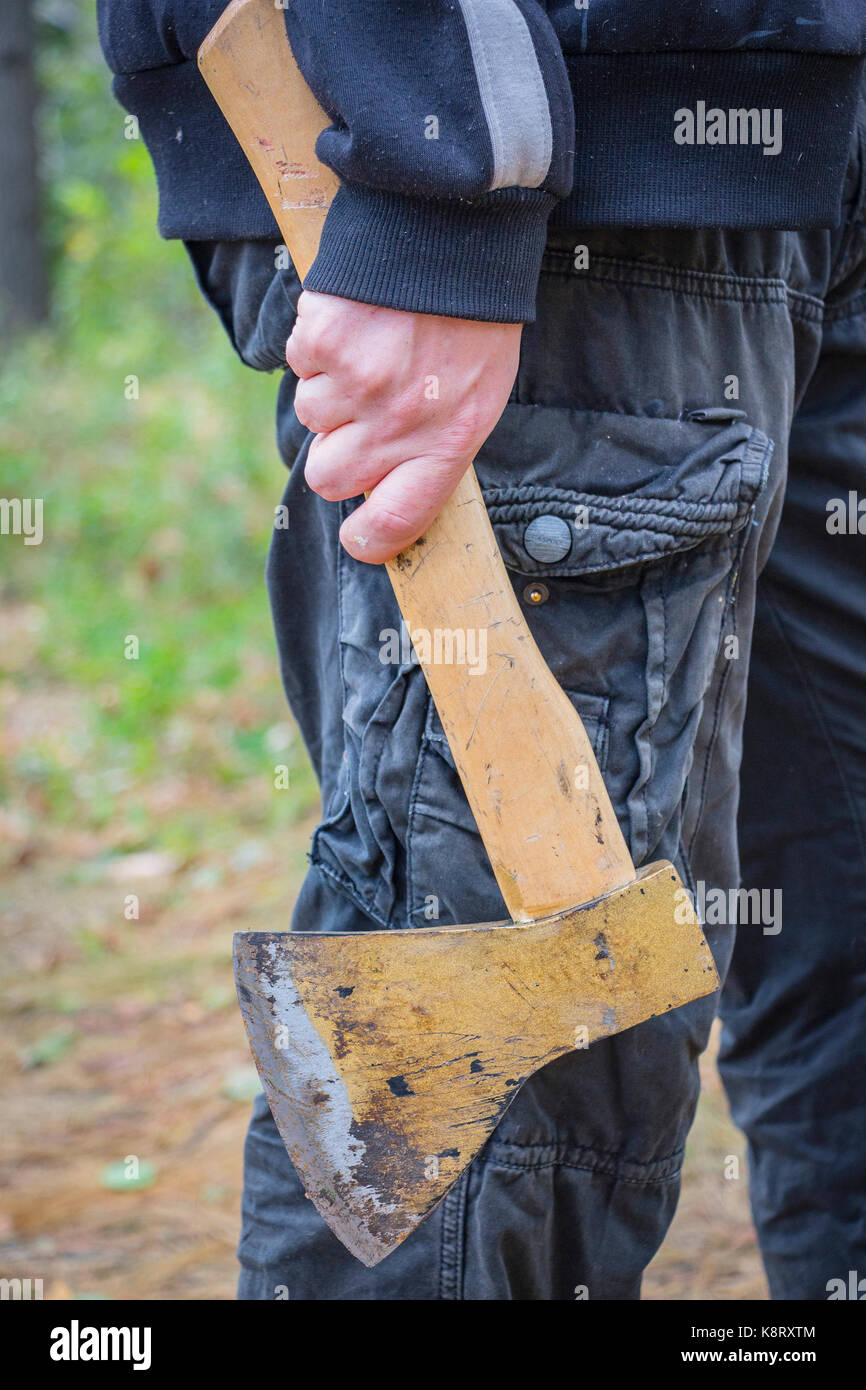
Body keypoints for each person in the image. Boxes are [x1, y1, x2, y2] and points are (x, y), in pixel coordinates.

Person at [98, 1, 866, 1300]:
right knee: (499, 1042)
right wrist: (439, 164)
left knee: (835, 902)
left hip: (790, 128)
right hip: (540, 164)